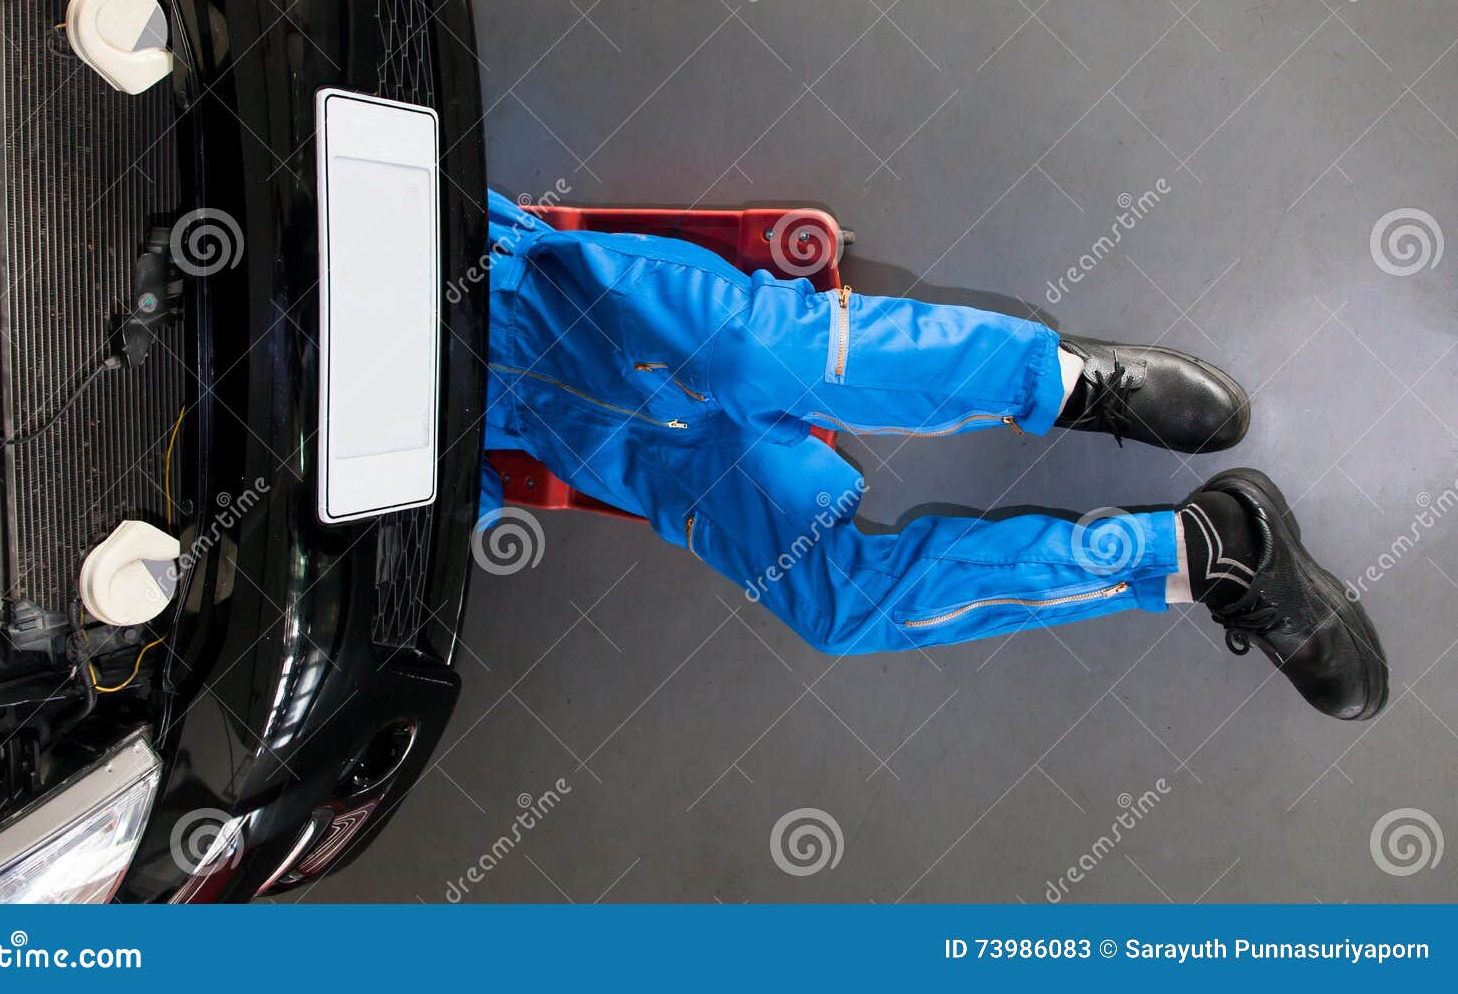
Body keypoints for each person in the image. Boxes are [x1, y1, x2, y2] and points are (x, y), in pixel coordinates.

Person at [477, 192, 1388, 722]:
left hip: (548, 303)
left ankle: (1065, 382)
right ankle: (1207, 553)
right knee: (837, 609)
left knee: (761, 353)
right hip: (621, 452)